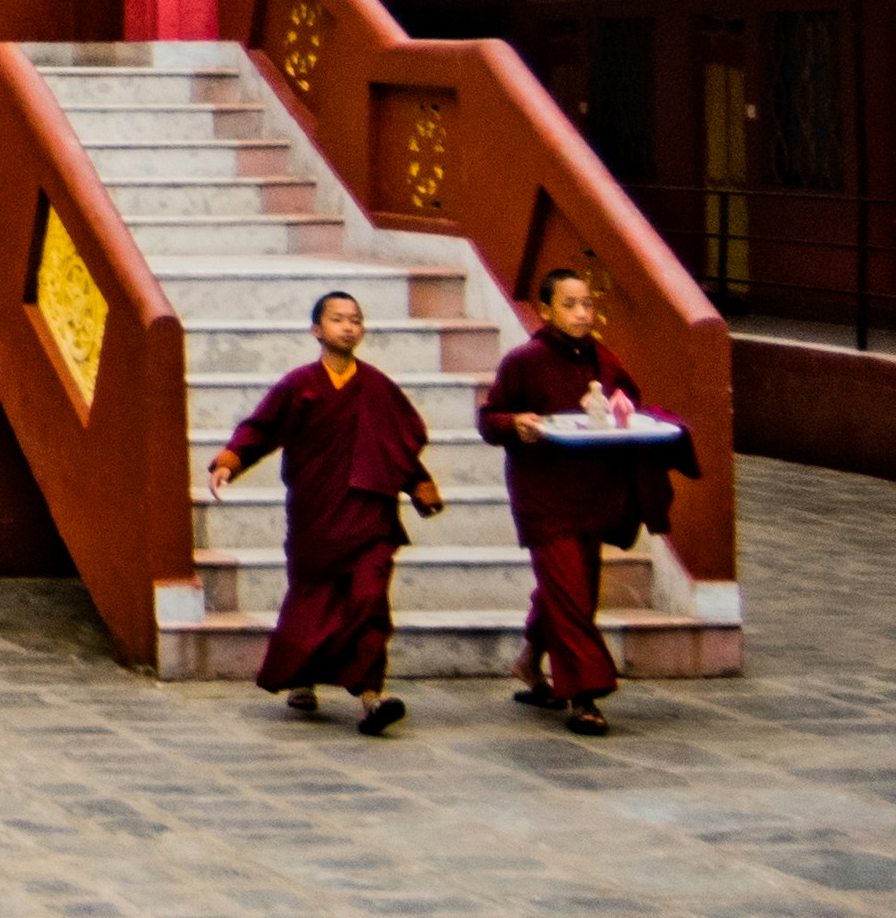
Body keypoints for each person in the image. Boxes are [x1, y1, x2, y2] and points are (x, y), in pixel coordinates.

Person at [210, 287, 444, 732]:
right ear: (317, 330)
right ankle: (303, 676)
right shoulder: (300, 384)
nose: (349, 326)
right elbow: (262, 427)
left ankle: (372, 695)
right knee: (312, 603)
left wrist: (418, 483)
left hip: (369, 514)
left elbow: (396, 442)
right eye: (338, 319)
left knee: (370, 600)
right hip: (317, 512)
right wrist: (230, 460)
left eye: (355, 319)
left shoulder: (377, 385)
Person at [477, 257, 689, 737]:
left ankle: (530, 661)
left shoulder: (602, 358)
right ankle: (585, 695)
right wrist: (518, 424)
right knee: (571, 593)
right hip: (543, 496)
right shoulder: (523, 362)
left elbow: (631, 405)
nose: (581, 314)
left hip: (592, 495)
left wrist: (624, 408)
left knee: (573, 592)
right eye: (569, 305)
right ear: (546, 311)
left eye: (587, 304)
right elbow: (490, 418)